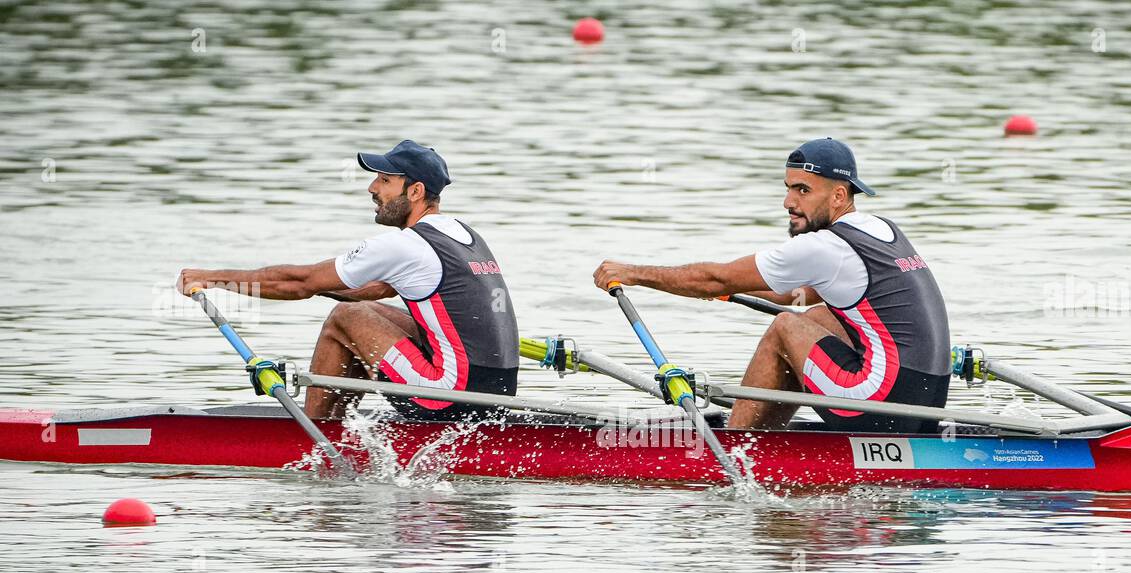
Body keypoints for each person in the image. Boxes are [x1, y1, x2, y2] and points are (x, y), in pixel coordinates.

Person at [592, 138, 951, 432]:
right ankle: (767, 437)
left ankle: (740, 445)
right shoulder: (882, 229)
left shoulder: (826, 246)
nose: (788, 202)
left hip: (881, 403)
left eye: (802, 190)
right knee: (820, 316)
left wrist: (635, 273)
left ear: (839, 196)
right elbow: (794, 293)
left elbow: (715, 277)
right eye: (788, 188)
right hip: (925, 402)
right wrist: (725, 290)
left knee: (785, 328)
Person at [178, 140, 519, 420]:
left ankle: (312, 437)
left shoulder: (405, 244)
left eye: (385, 181)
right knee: (371, 310)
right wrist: (321, 287)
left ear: (415, 191)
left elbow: (299, 282)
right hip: (497, 394)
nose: (372, 188)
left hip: (449, 398)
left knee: (346, 318)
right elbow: (376, 290)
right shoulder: (464, 234)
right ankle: (338, 426)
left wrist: (212, 278)